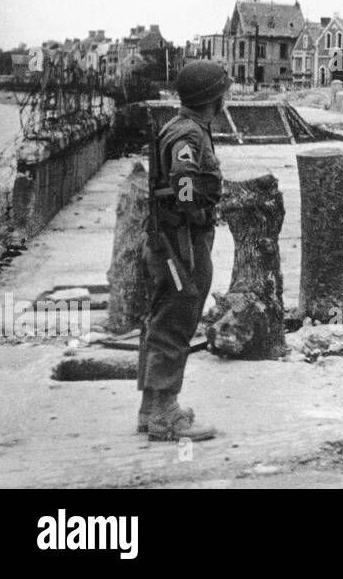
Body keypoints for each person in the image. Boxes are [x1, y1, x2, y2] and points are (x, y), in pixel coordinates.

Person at [137, 61, 230, 442]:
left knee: (162, 318)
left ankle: (151, 407)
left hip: (171, 239)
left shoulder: (183, 127)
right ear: (214, 98)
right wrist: (192, 211)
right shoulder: (188, 135)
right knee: (177, 320)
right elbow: (184, 182)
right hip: (182, 243)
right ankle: (165, 414)